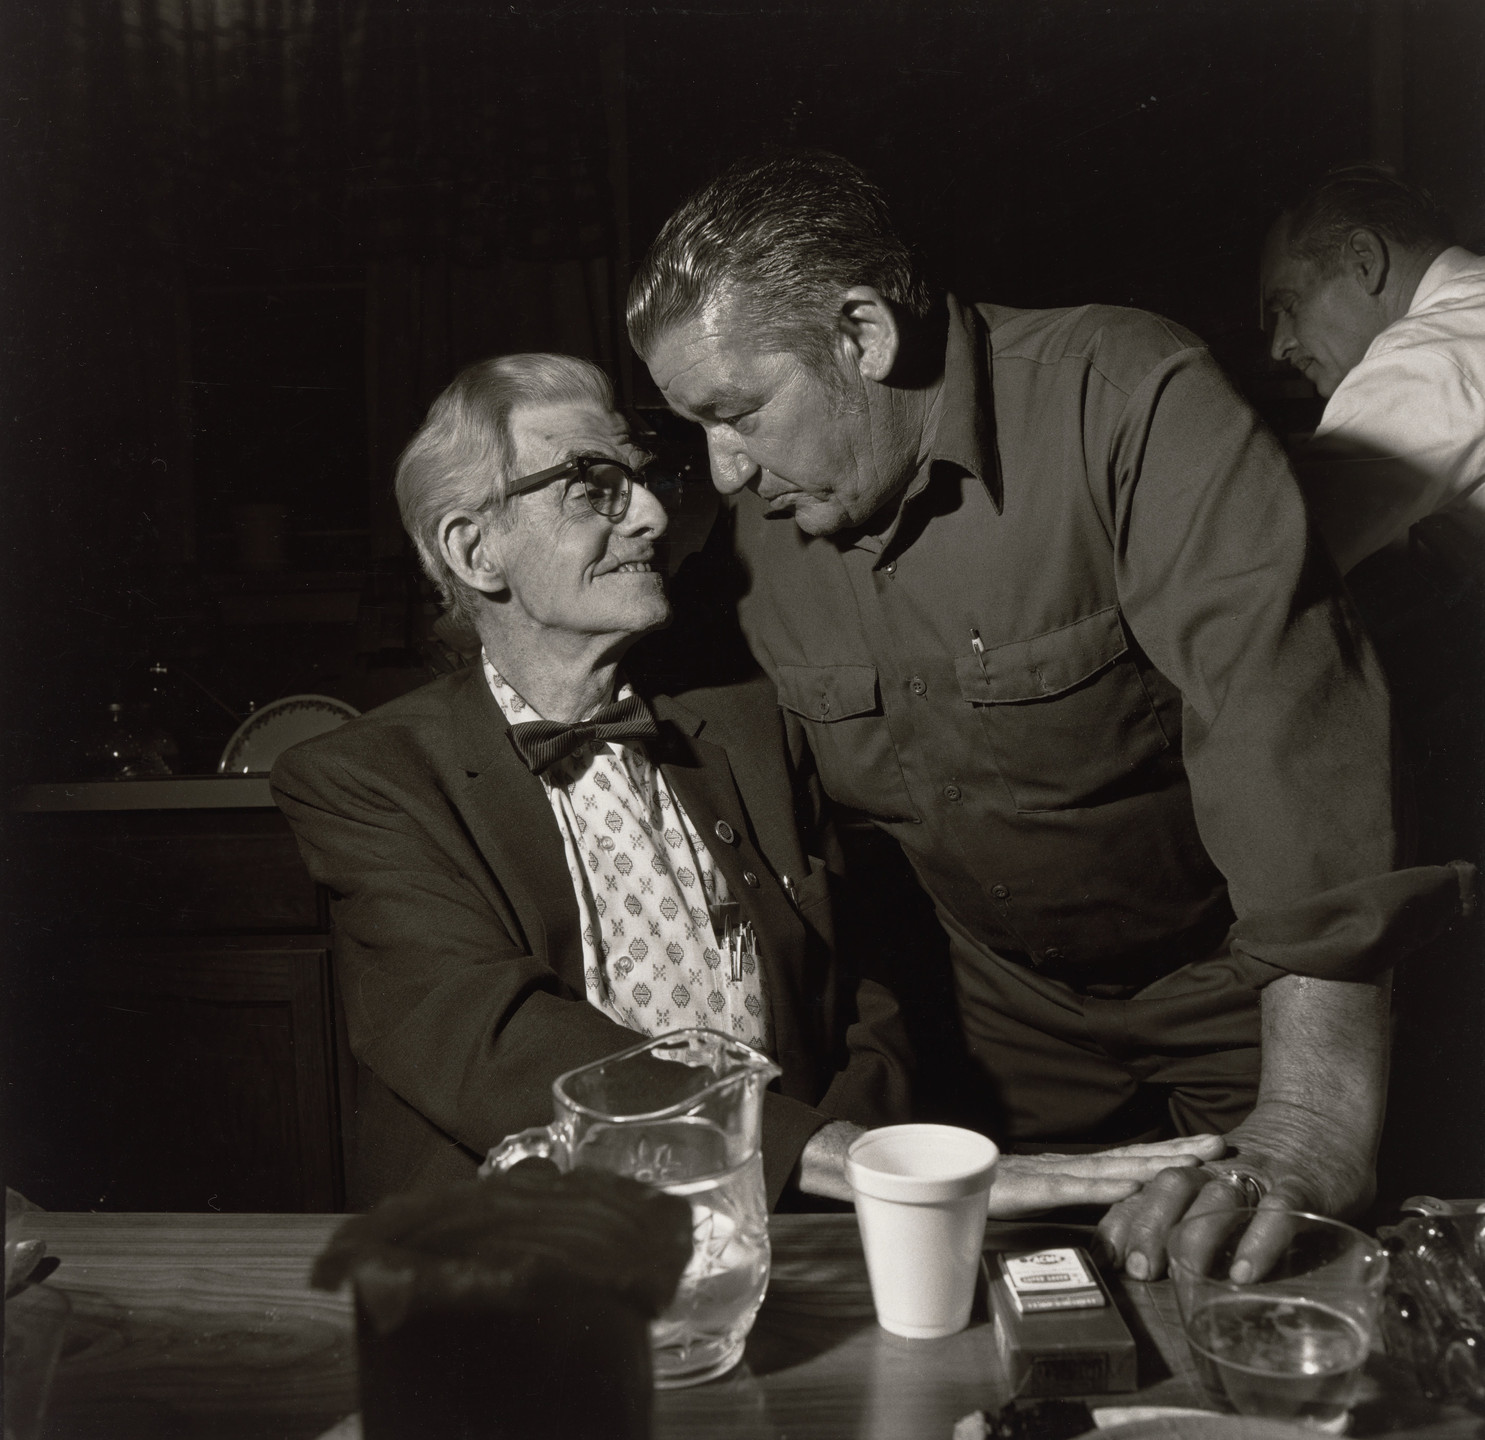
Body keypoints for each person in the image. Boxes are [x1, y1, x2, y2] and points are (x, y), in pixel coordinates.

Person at [627, 152, 1474, 1278]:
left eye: (736, 413)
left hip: (1245, 984)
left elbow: (1287, 730)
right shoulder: (763, 529)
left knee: (1277, 1284)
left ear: (862, 336)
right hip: (1000, 1019)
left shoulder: (1124, 398)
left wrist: (1313, 1119)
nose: (724, 471)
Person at [271, 352, 1211, 1212]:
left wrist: (839, 1191)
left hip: (795, 1222)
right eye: (592, 487)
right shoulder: (365, 779)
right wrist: (827, 1154)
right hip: (534, 1250)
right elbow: (494, 1042)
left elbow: (866, 991)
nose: (649, 516)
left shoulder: (751, 720)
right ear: (477, 552)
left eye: (640, 478)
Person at [1262, 165, 1485, 576]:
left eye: (1289, 306)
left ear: (1365, 261)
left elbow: (1260, 559)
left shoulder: (1428, 356)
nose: (1280, 346)